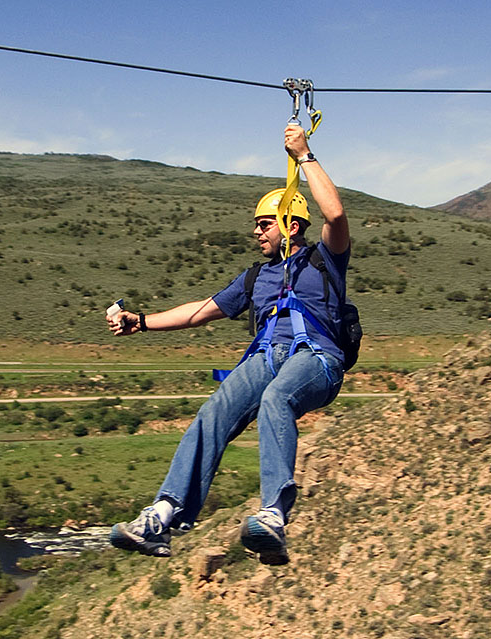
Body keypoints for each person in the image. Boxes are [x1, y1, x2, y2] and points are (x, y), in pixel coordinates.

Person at [107, 124, 350, 565]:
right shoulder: (255, 277)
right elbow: (198, 311)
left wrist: (305, 155)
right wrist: (140, 322)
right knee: (214, 411)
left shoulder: (324, 259)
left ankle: (273, 514)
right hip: (265, 358)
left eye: (264, 225)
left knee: (278, 398)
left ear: (290, 226)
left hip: (317, 358)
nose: (257, 233)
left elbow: (335, 216)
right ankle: (163, 515)